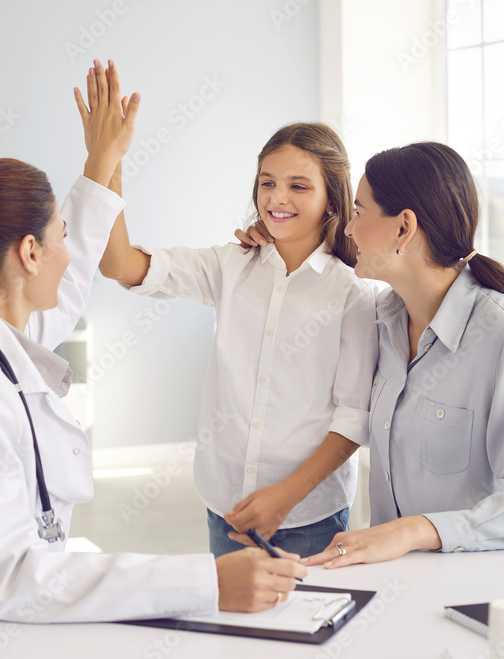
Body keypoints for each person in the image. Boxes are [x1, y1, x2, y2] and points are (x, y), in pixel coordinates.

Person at [0, 59, 304, 623]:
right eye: (61, 237)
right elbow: (15, 580)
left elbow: (67, 287)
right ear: (28, 253)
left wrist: (104, 161)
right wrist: (206, 581)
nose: (69, 256)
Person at [240, 142, 504, 567]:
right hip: (403, 585)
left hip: (489, 591)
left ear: (403, 228)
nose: (348, 228)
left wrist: (417, 530)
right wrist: (272, 245)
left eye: (359, 213)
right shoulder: (381, 320)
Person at [98, 123, 378, 558]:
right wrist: (107, 160)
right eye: (268, 183)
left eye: (298, 186)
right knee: (232, 621)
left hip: (308, 515)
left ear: (331, 199)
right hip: (226, 503)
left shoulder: (352, 293)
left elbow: (352, 419)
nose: (277, 198)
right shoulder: (231, 266)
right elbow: (119, 263)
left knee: (306, 623)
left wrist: (284, 497)